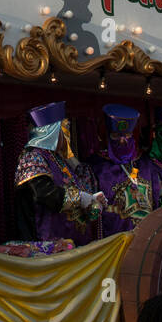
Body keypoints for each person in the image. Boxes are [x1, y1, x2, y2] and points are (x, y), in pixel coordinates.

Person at [13, 101, 105, 246]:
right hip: (46, 244)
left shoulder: (59, 159)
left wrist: (92, 201)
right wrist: (80, 198)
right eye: (65, 129)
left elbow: (79, 188)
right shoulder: (33, 156)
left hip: (75, 244)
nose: (67, 135)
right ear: (52, 131)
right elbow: (44, 192)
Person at [88, 104, 162, 235]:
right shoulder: (97, 166)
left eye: (127, 135)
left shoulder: (146, 164)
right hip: (113, 240)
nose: (122, 141)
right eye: (116, 136)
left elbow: (159, 201)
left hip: (145, 238)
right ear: (107, 136)